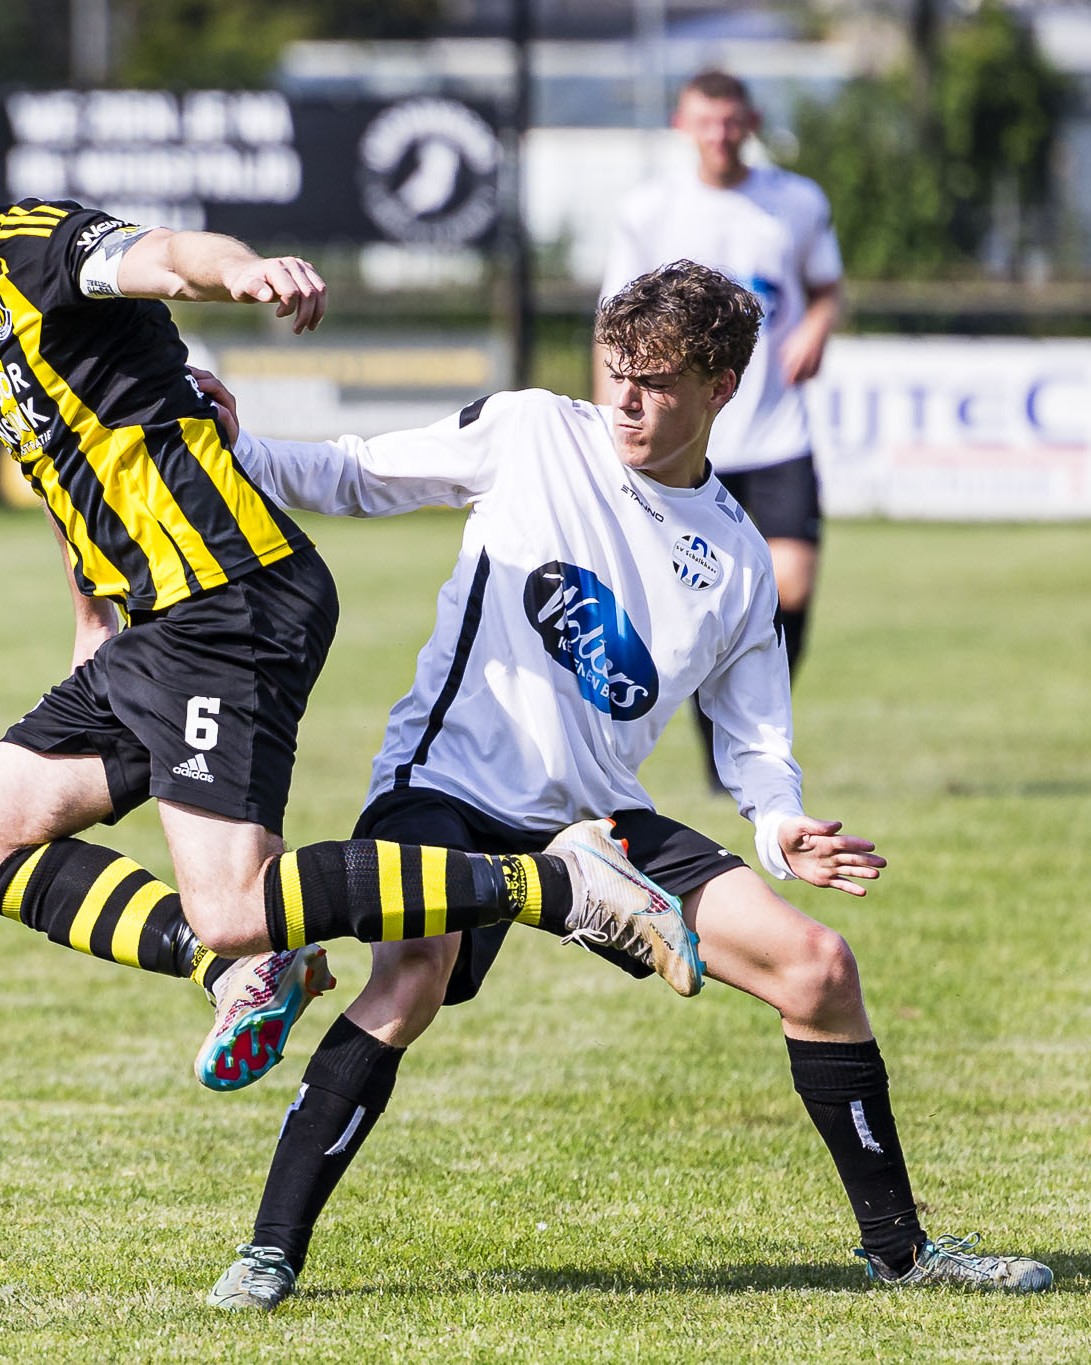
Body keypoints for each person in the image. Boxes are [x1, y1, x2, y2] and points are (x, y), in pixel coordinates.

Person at [0, 86, 705, 1093]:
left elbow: (164, 254)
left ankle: (561, 882)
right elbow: (66, 469)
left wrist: (241, 273)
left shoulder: (37, 247)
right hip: (146, 630)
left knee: (234, 896)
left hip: (227, 602)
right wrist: (87, 624)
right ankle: (239, 968)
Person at [198, 260, 1052, 1306]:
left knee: (817, 969)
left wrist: (779, 824)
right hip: (448, 788)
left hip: (597, 828)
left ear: (719, 389)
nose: (627, 401)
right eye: (614, 373)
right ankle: (269, 1249)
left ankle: (903, 1255)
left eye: (654, 380)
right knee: (414, 972)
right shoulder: (531, 433)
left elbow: (752, 741)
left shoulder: (736, 557)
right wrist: (228, 442)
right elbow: (350, 473)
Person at [597, 69, 842, 790]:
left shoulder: (795, 201)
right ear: (683, 123)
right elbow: (612, 321)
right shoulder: (650, 209)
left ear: (752, 121)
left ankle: (751, 724)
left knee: (789, 582)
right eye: (706, 121)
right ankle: (726, 746)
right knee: (695, 595)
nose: (720, 134)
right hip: (689, 438)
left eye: (732, 121)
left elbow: (826, 287)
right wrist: (612, 407)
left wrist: (818, 330)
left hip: (775, 425)